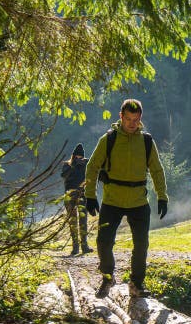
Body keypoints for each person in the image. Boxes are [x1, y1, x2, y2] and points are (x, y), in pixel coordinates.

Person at [84, 98, 168, 299]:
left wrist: (162, 196)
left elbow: (157, 170)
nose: (132, 124)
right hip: (112, 201)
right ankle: (107, 278)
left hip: (138, 202)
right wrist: (90, 195)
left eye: (136, 120)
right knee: (104, 242)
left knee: (141, 245)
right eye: (128, 119)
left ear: (140, 118)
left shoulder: (146, 141)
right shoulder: (109, 139)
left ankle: (136, 284)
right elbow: (92, 166)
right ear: (121, 116)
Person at [61, 143, 93, 256]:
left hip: (82, 194)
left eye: (81, 156)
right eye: (76, 156)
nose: (79, 158)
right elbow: (63, 176)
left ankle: (84, 246)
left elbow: (91, 174)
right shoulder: (67, 165)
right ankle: (75, 248)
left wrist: (84, 163)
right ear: (73, 156)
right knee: (72, 221)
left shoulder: (86, 164)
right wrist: (73, 166)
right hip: (69, 195)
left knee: (83, 220)